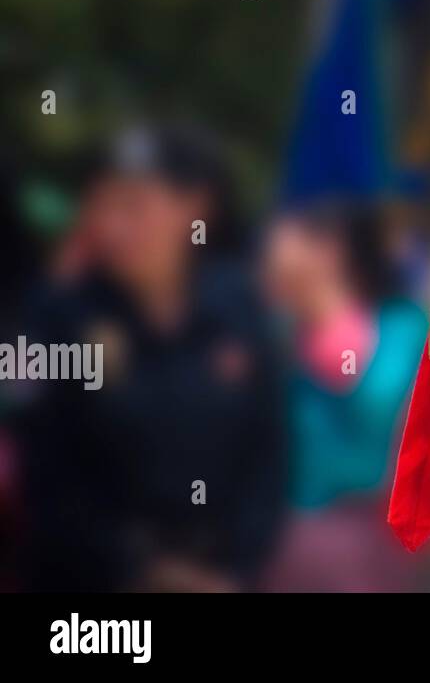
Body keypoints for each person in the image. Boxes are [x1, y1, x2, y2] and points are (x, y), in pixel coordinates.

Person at [15, 124, 285, 592]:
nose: (114, 225)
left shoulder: (238, 310)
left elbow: (270, 453)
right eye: (102, 204)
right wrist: (141, 567)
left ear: (196, 207)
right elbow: (45, 472)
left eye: (135, 205)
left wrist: (236, 572)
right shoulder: (60, 319)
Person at [259, 201, 428, 591]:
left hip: (373, 547)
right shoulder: (270, 332)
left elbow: (376, 404)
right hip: (279, 544)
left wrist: (321, 311)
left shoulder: (403, 328)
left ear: (330, 250)